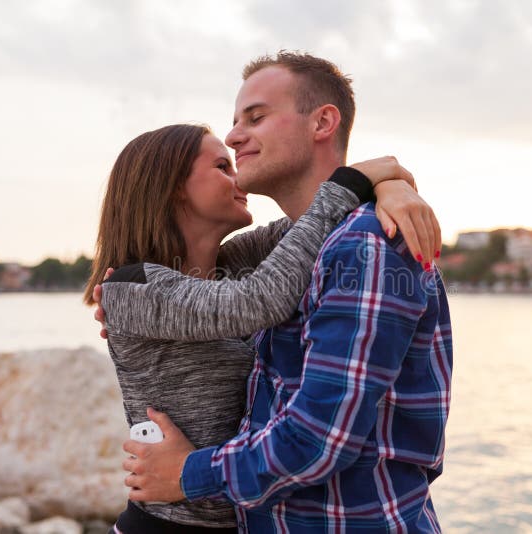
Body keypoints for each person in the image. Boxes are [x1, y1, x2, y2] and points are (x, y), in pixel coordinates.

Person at [99, 52, 453, 533]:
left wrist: (387, 184)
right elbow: (271, 283)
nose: (234, 137)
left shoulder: (294, 254)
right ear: (171, 189)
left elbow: (303, 233)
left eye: (256, 117)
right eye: (220, 161)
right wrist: (363, 182)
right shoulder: (135, 287)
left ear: (322, 122)